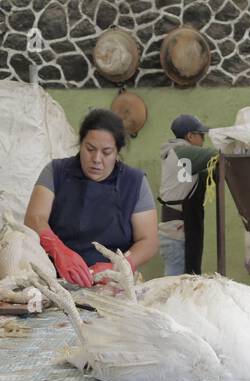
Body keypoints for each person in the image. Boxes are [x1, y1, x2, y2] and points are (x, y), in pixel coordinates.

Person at [24, 109, 158, 288]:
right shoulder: (56, 172)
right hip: (54, 279)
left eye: (107, 152)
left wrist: (119, 266)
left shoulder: (135, 182)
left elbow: (148, 240)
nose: (96, 159)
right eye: (90, 149)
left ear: (117, 152)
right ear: (80, 144)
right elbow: (35, 218)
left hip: (112, 284)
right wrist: (58, 250)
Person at [157, 114, 217, 276]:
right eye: (201, 135)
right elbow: (217, 155)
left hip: (176, 230)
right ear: (190, 136)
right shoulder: (183, 152)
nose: (203, 140)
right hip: (177, 232)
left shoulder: (179, 154)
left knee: (182, 283)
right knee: (176, 287)